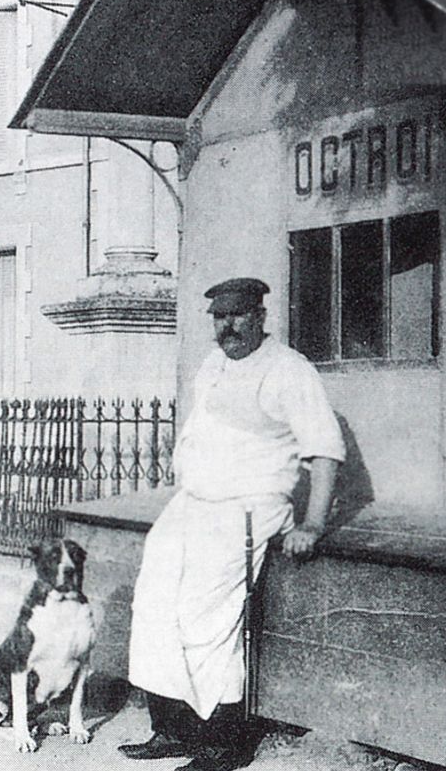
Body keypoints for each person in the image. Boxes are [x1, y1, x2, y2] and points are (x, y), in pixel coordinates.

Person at [119, 277, 344, 771]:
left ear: (261, 315)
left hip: (246, 507)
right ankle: (172, 727)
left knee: (207, 615)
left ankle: (222, 745)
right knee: (155, 599)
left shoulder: (289, 370)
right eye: (220, 317)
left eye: (239, 315)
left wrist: (311, 524)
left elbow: (325, 451)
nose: (229, 326)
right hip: (194, 503)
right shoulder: (213, 365)